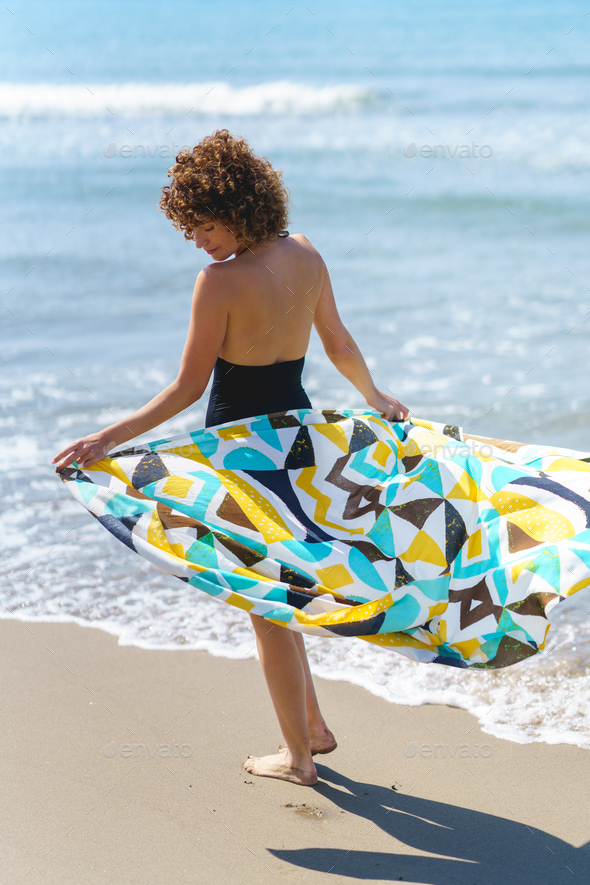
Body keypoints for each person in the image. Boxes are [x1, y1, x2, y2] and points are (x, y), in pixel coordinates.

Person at [53, 129, 410, 786]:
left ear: (241, 207)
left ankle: (298, 757)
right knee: (284, 585)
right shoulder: (305, 254)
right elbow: (337, 342)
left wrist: (105, 439)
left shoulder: (218, 283)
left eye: (205, 225)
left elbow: (188, 388)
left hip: (243, 453)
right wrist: (374, 394)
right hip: (297, 440)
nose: (198, 241)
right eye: (190, 231)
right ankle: (315, 726)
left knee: (266, 604)